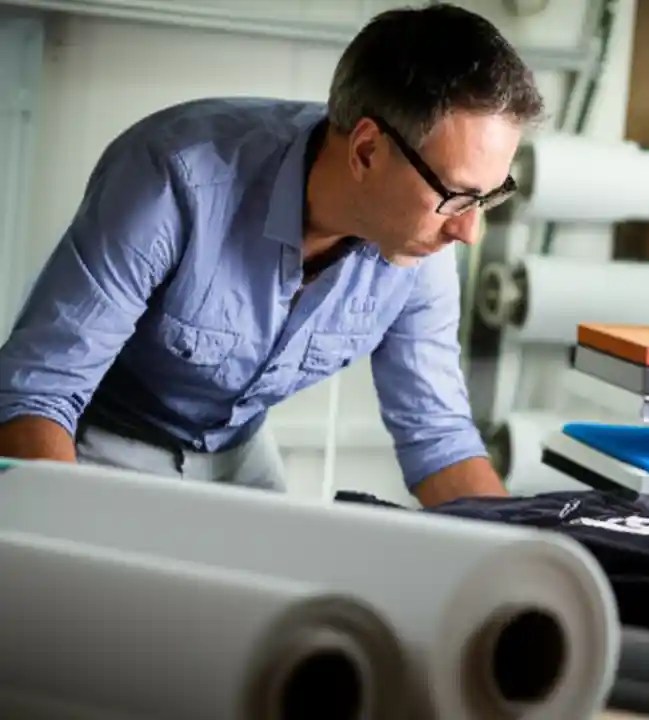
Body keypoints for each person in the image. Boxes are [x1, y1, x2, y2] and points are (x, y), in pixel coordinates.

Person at [0, 3, 542, 506]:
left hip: (239, 452)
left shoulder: (423, 240)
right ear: (367, 151)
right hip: (102, 441)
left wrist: (523, 570)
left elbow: (440, 440)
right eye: (457, 195)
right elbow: (38, 396)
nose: (469, 231)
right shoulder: (174, 178)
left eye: (487, 197)